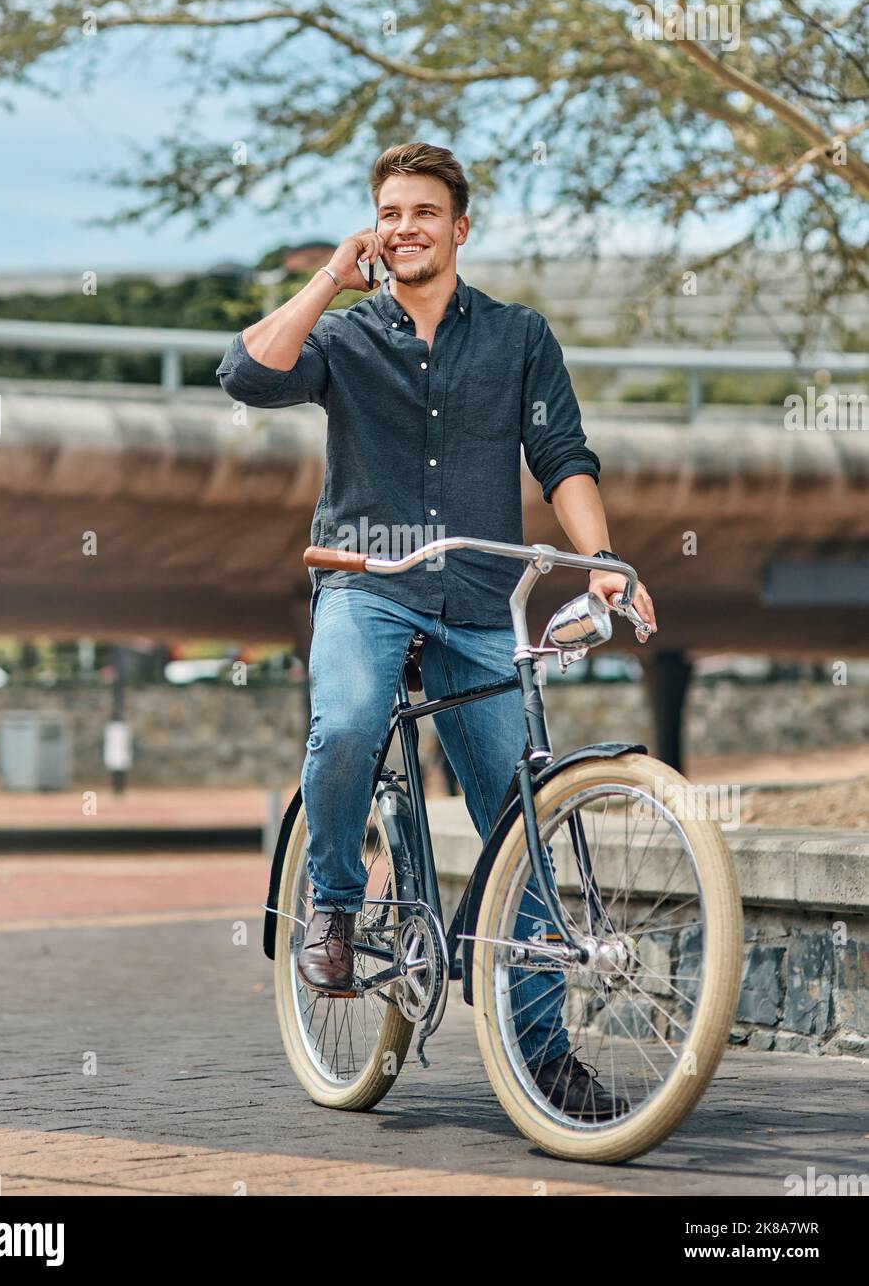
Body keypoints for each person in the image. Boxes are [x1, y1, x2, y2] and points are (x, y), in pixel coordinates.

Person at [217, 142, 657, 1118]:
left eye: (424, 210)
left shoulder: (516, 336)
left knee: (526, 811)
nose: (405, 225)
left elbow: (559, 453)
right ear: (375, 226)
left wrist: (601, 560)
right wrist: (332, 273)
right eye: (389, 211)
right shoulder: (345, 334)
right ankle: (330, 902)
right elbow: (245, 374)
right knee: (348, 723)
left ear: (460, 228)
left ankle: (540, 1052)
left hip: (478, 599)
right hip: (366, 586)